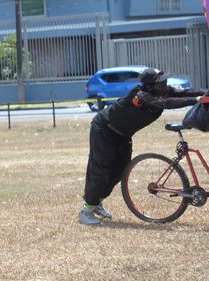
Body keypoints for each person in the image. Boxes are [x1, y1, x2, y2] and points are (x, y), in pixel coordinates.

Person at [80, 67, 208, 225]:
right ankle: (86, 210)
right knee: (101, 169)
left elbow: (183, 93)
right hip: (104, 130)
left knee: (119, 171)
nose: (165, 85)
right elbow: (166, 103)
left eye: (165, 81)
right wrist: (196, 101)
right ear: (149, 86)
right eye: (161, 83)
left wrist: (205, 93)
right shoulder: (141, 95)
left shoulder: (161, 91)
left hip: (123, 135)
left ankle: (96, 202)